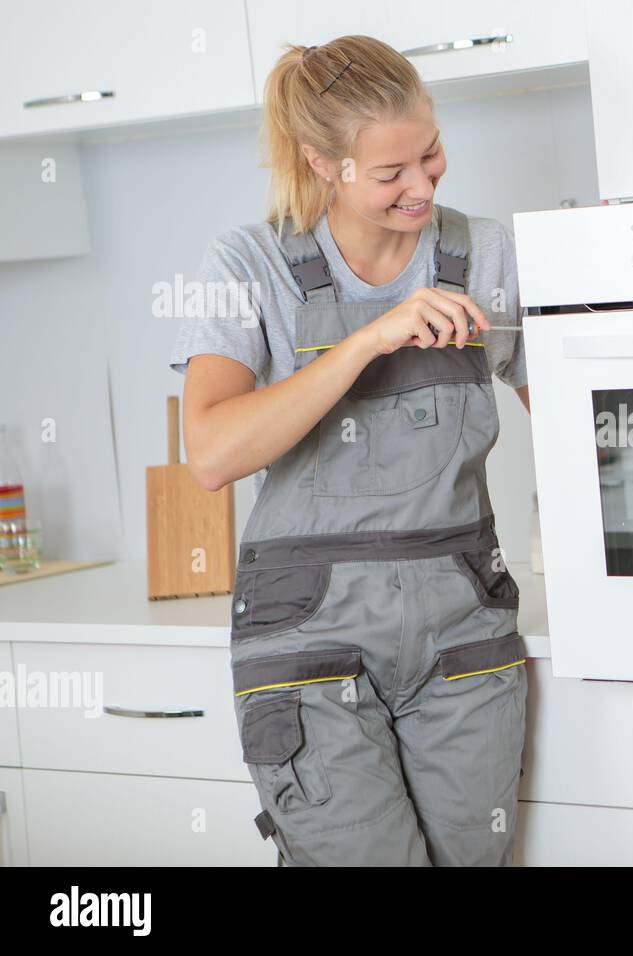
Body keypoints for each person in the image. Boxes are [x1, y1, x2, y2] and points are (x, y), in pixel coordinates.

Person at [168, 35, 530, 866]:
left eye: (431, 155)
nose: (423, 186)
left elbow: (586, 416)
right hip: (305, 637)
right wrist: (370, 339)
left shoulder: (488, 255)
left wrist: (618, 297)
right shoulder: (247, 264)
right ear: (324, 163)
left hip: (462, 623)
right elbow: (213, 453)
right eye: (391, 172)